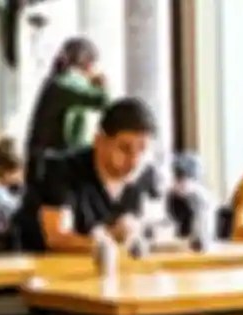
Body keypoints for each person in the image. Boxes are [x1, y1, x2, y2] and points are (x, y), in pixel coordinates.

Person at [16, 97, 160, 253]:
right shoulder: (61, 170)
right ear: (99, 141)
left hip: (121, 271)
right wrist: (111, 240)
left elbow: (158, 228)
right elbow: (57, 238)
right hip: (47, 269)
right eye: (125, 149)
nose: (134, 161)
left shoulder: (146, 174)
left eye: (143, 150)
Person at [22, 36, 109, 187]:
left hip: (48, 163)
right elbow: (102, 101)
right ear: (88, 64)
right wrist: (101, 84)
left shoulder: (57, 81)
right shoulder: (66, 83)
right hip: (50, 166)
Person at [167, 151, 216, 244]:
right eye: (177, 180)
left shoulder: (201, 198)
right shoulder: (170, 196)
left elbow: (203, 233)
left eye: (183, 180)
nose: (179, 185)